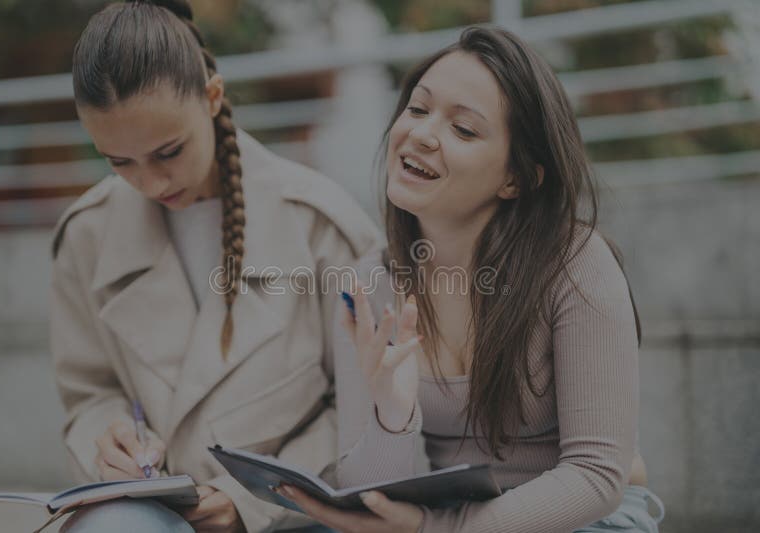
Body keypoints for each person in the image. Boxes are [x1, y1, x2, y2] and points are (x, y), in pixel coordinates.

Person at [279, 27, 664, 533]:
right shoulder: (369, 282)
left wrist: (441, 530)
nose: (420, 134)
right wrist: (391, 417)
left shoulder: (575, 264)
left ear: (517, 178)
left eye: (463, 130)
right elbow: (367, 493)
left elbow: (596, 476)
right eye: (418, 109)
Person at [50, 1, 381, 531]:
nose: (152, 183)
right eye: (119, 162)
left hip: (296, 516)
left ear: (213, 96)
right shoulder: (85, 236)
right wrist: (108, 438)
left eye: (169, 151)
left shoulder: (320, 225)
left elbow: (365, 412)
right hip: (150, 513)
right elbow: (89, 392)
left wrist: (248, 500)